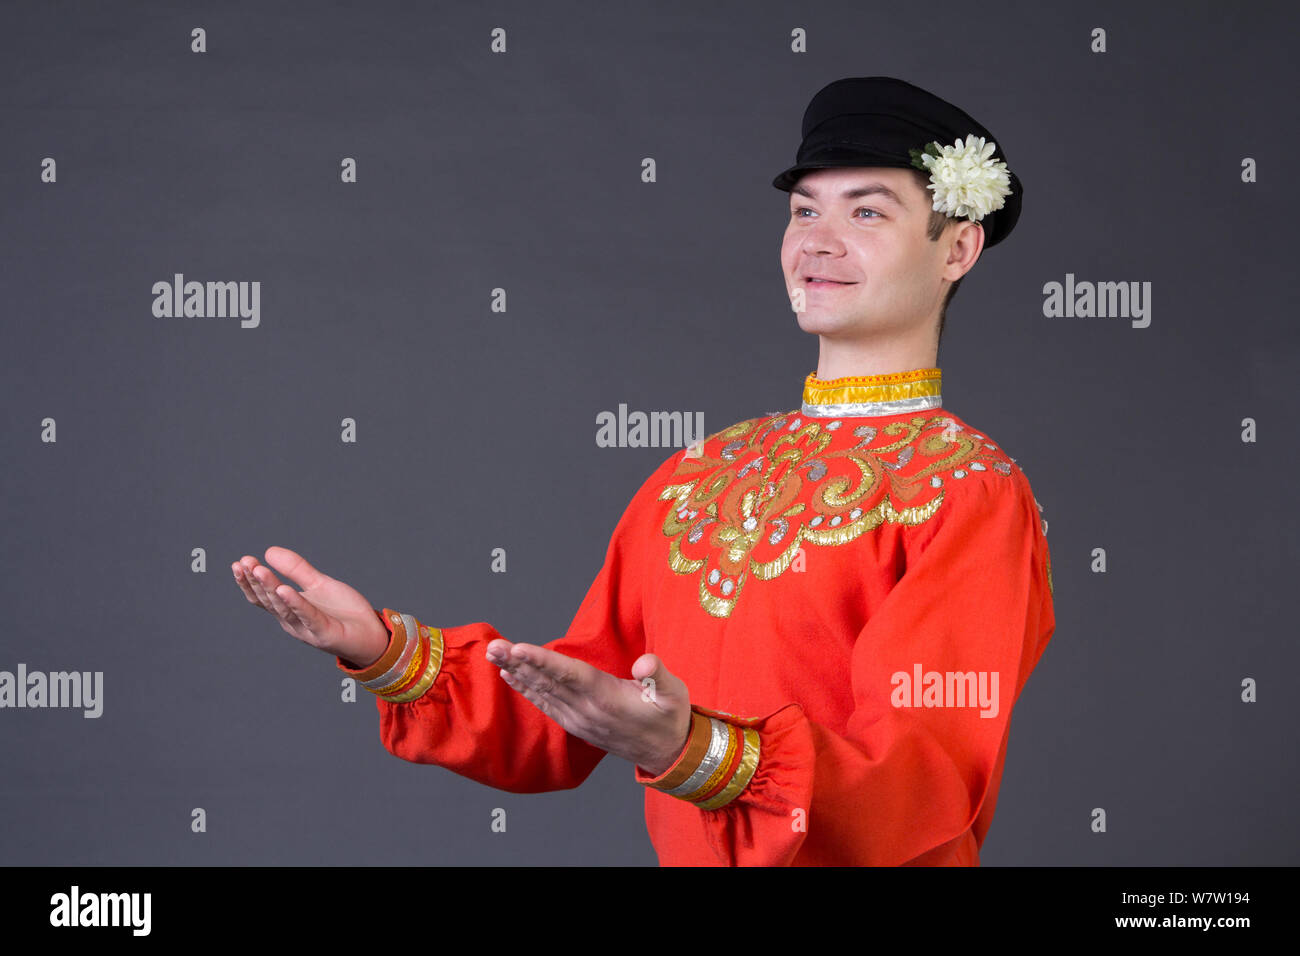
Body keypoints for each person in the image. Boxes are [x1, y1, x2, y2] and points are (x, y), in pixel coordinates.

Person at [232, 76, 1055, 866]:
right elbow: (567, 710)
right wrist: (383, 649)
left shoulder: (970, 488)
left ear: (958, 247)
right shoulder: (698, 472)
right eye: (804, 210)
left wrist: (696, 749)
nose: (817, 241)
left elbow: (926, 774)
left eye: (867, 211)